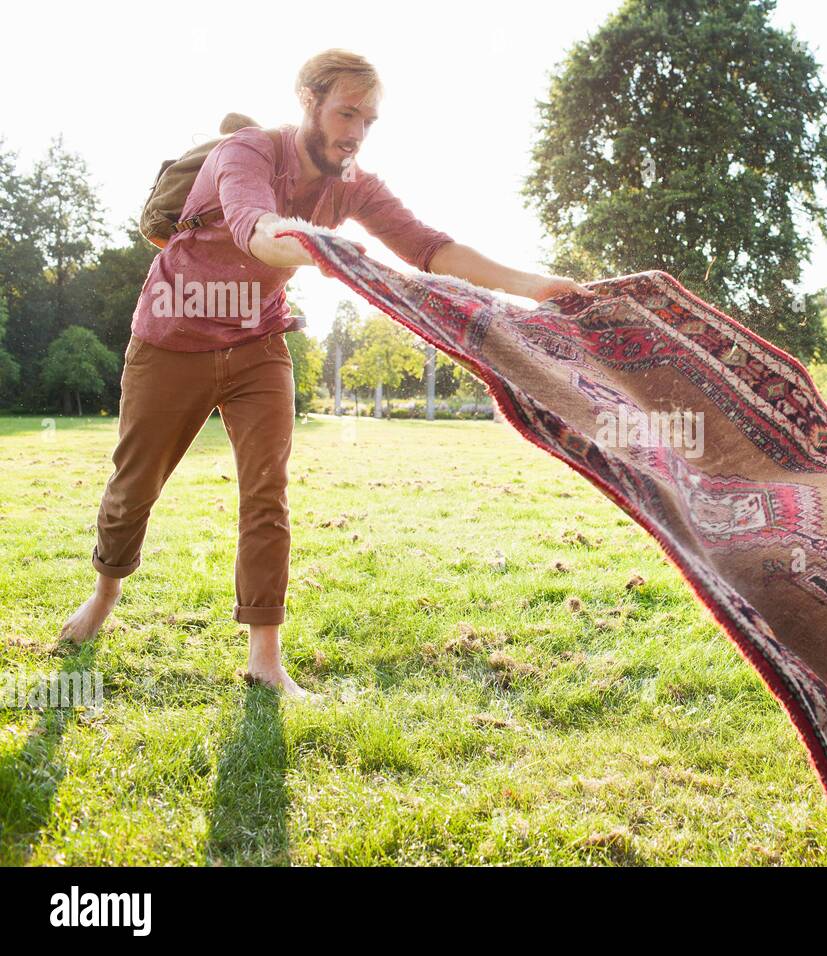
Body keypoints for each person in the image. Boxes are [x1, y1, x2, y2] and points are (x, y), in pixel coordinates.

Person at [58, 49, 593, 697]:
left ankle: (263, 658)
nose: (356, 132)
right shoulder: (248, 153)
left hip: (258, 341)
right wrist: (324, 250)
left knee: (267, 493)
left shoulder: (355, 184)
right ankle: (105, 593)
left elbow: (430, 247)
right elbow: (258, 230)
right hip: (174, 335)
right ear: (307, 100)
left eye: (369, 120)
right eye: (346, 113)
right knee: (134, 483)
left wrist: (535, 285)